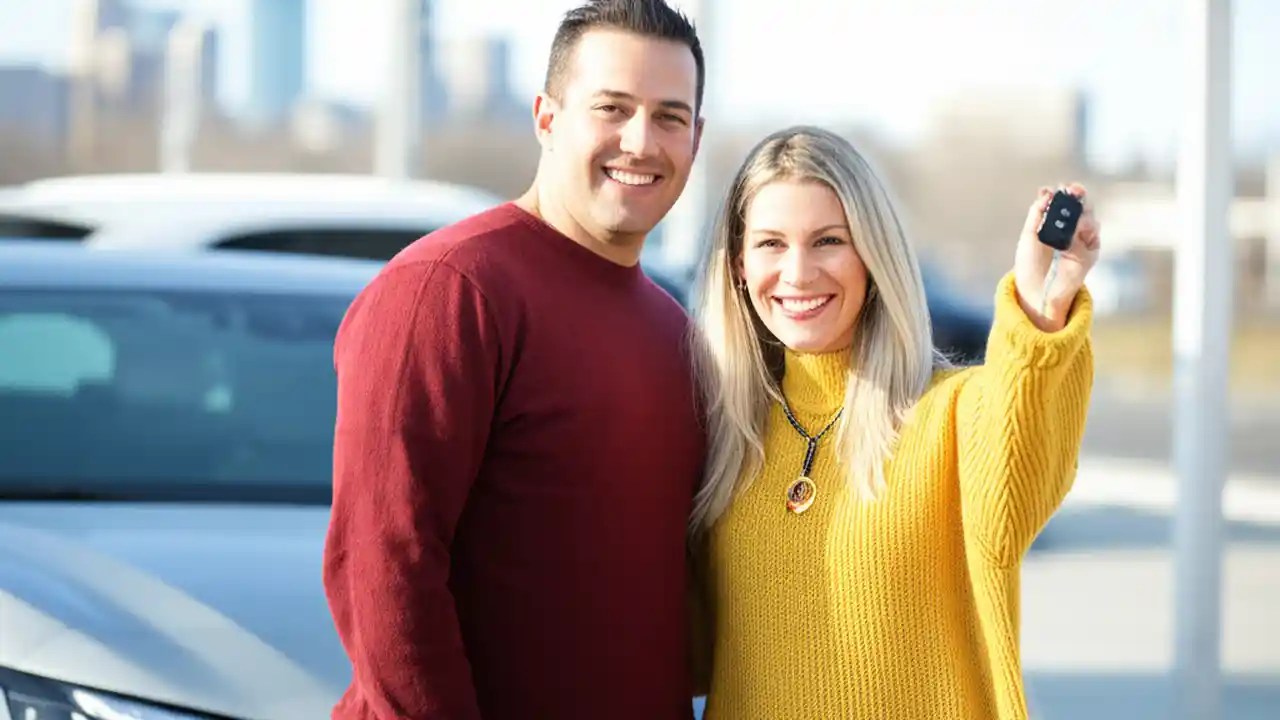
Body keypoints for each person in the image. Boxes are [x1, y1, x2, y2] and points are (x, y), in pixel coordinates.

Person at [322, 2, 707, 718]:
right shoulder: (450, 288)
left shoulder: (674, 331)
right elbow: (384, 568)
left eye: (669, 117)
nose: (639, 141)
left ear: (696, 137)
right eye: (612, 107)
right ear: (547, 117)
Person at [687, 126, 1099, 719]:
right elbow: (690, 652)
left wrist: (1038, 311)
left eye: (829, 240)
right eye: (771, 244)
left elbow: (1015, 487)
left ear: (873, 256)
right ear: (739, 268)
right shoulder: (723, 436)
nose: (798, 273)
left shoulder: (950, 414)